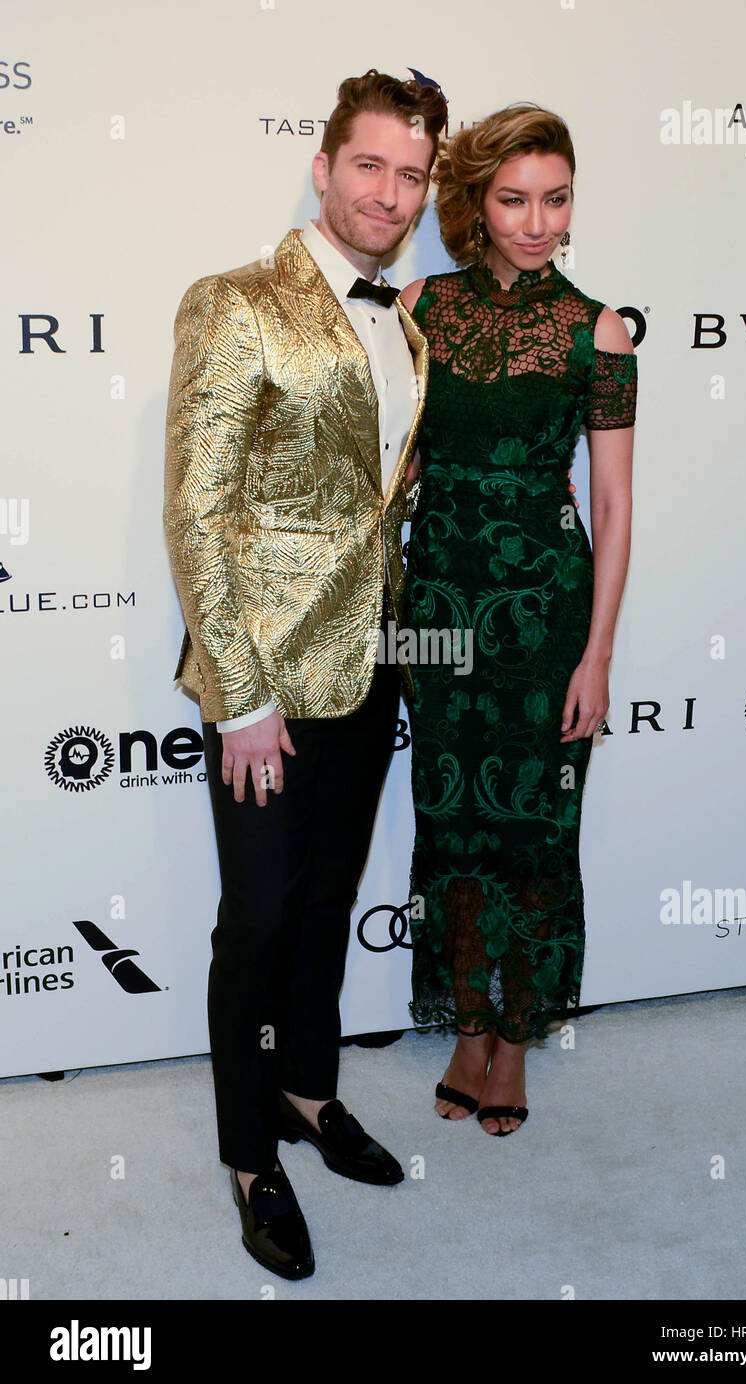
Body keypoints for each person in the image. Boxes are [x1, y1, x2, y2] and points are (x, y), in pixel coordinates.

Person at [163, 69, 447, 1277]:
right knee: (259, 921)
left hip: (370, 663)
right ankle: (248, 1154)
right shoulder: (236, 303)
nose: (390, 193)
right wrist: (243, 699)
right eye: (370, 165)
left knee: (328, 904)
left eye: (413, 173)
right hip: (264, 691)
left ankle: (312, 1094)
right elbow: (197, 511)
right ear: (324, 167)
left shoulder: (411, 320)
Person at [400, 104, 637, 1136]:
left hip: (545, 610)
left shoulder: (600, 330)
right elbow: (389, 467)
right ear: (475, 203)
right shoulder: (417, 307)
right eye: (513, 199)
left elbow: (617, 504)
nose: (536, 221)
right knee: (449, 815)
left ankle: (515, 1041)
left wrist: (599, 655)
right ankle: (464, 1023)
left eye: (556, 197)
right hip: (438, 602)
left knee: (538, 833)